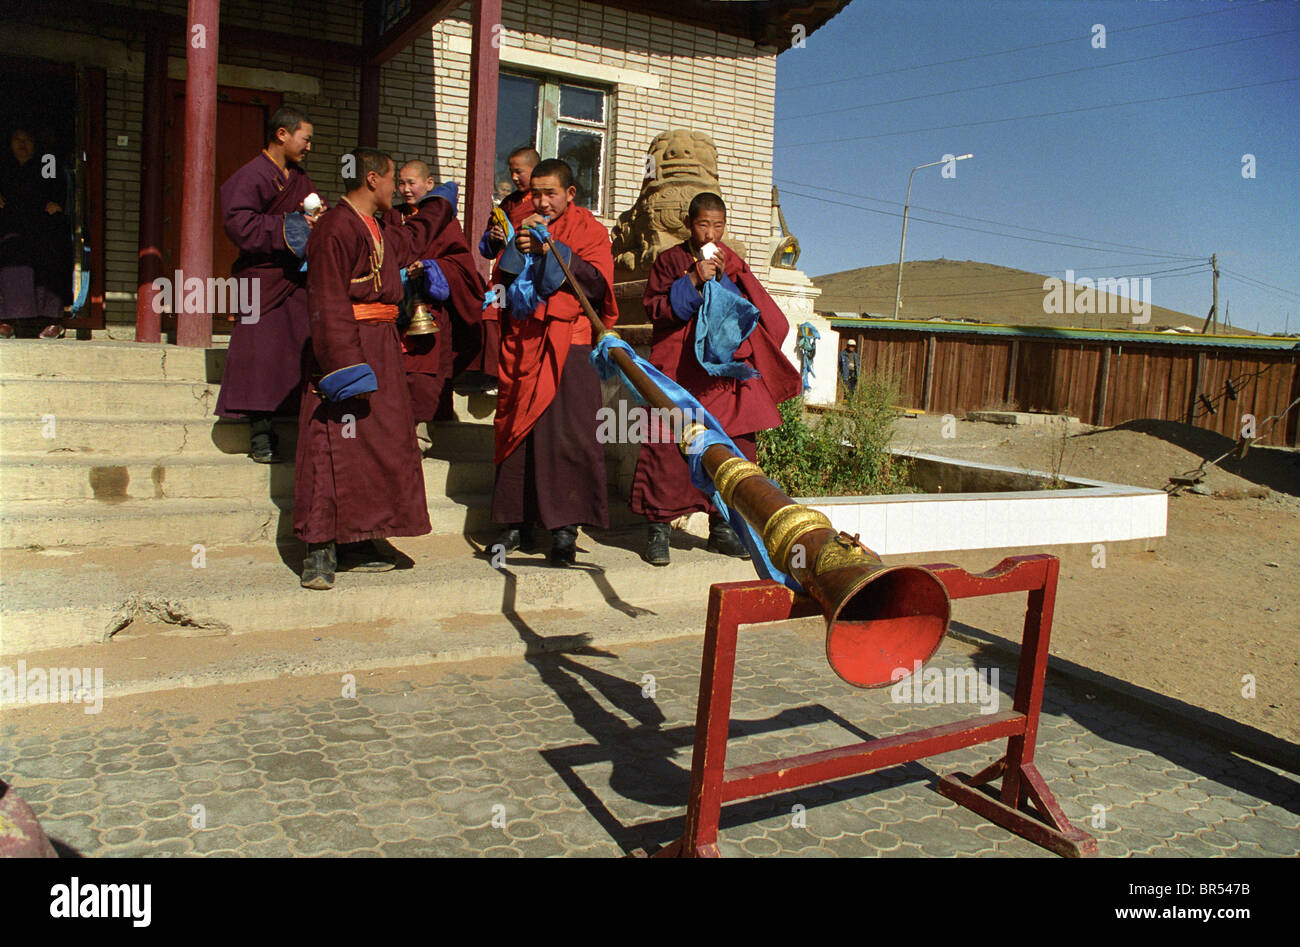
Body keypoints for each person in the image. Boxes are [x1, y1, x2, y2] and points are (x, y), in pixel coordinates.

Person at [295, 147, 454, 590]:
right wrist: (344, 367)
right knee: (332, 445)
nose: (395, 190)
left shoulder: (378, 228)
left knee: (379, 446)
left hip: (382, 346)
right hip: (346, 349)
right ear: (371, 179)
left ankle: (361, 538)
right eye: (390, 181)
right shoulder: (334, 227)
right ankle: (320, 549)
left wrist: (441, 202)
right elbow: (326, 301)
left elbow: (414, 238)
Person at [628, 191, 801, 566]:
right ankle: (658, 528)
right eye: (704, 225)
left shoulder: (731, 261)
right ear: (690, 225)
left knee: (735, 445)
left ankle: (723, 527)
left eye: (718, 226)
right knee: (666, 445)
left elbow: (756, 310)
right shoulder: (670, 260)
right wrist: (691, 279)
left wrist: (725, 281)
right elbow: (656, 309)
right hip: (680, 369)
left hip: (722, 374)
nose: (711, 233)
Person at [490, 157, 619, 566]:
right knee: (518, 428)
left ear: (570, 194)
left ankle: (564, 530)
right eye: (536, 194)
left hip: (570, 343)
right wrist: (515, 249)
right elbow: (503, 284)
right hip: (525, 341)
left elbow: (598, 285)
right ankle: (516, 521)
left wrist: (553, 250)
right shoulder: (525, 225)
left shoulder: (591, 232)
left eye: (551, 194)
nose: (542, 202)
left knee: (570, 435)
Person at [214, 106, 320, 463]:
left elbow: (313, 217)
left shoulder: (299, 179)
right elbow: (239, 225)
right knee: (261, 359)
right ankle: (261, 433)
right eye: (305, 139)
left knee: (297, 352)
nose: (309, 147)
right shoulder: (251, 175)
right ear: (282, 135)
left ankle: (297, 425)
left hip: (295, 280)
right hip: (263, 278)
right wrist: (292, 226)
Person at [384, 160, 486, 434]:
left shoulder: (444, 221)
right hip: (395, 311)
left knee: (424, 373)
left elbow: (461, 266)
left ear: (429, 184)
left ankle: (424, 433)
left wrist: (431, 268)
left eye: (412, 183)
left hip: (429, 313)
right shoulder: (392, 218)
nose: (405, 189)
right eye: (401, 183)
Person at [474, 147, 540, 391]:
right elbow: (486, 248)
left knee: (520, 324)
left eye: (518, 171)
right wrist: (493, 236)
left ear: (534, 170)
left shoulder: (541, 201)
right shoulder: (508, 203)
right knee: (492, 315)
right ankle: (495, 375)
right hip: (502, 272)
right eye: (511, 172)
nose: (513, 177)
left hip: (527, 275)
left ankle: (516, 375)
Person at [0, 128, 68, 339]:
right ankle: (6, 321)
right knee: (10, 255)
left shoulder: (46, 162)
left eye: (27, 139)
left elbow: (54, 190)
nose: (22, 143)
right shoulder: (4, 164)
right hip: (8, 223)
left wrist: (53, 204)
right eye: (17, 139)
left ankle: (51, 322)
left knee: (47, 255)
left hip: (41, 222)